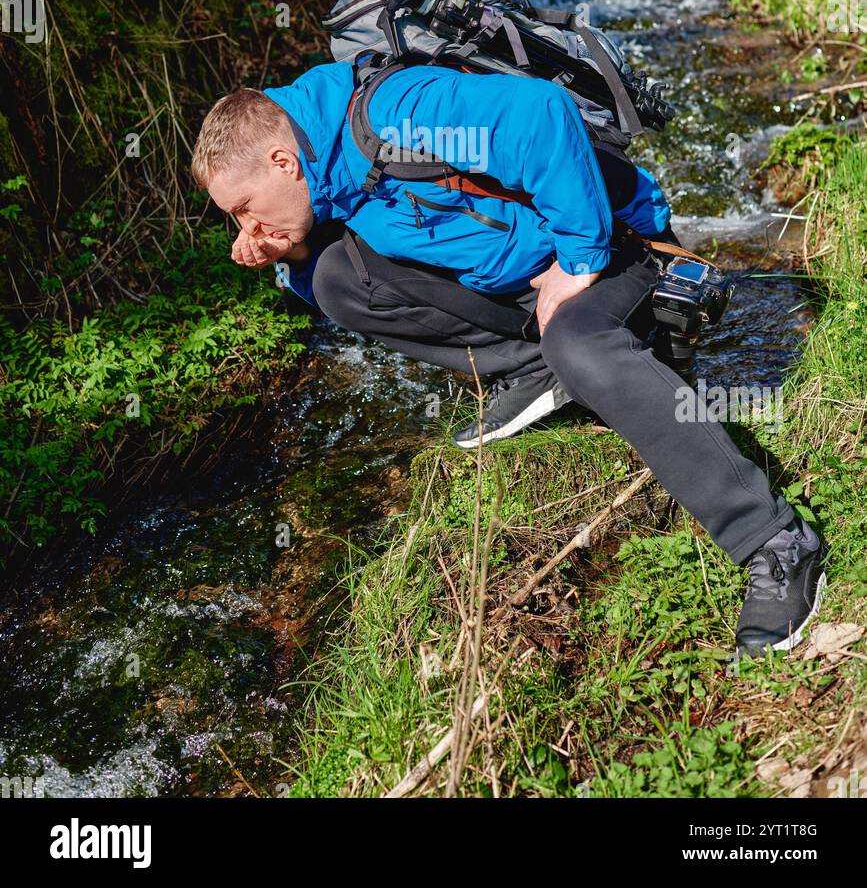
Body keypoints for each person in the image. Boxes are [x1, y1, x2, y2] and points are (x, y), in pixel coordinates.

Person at [191, 64, 826, 656]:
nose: (243, 232)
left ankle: (774, 538)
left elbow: (541, 114)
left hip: (614, 244)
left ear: (283, 162)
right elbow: (366, 276)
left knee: (579, 343)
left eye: (243, 211)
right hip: (521, 279)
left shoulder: (395, 111)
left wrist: (578, 261)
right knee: (334, 276)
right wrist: (290, 258)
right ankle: (533, 368)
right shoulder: (326, 168)